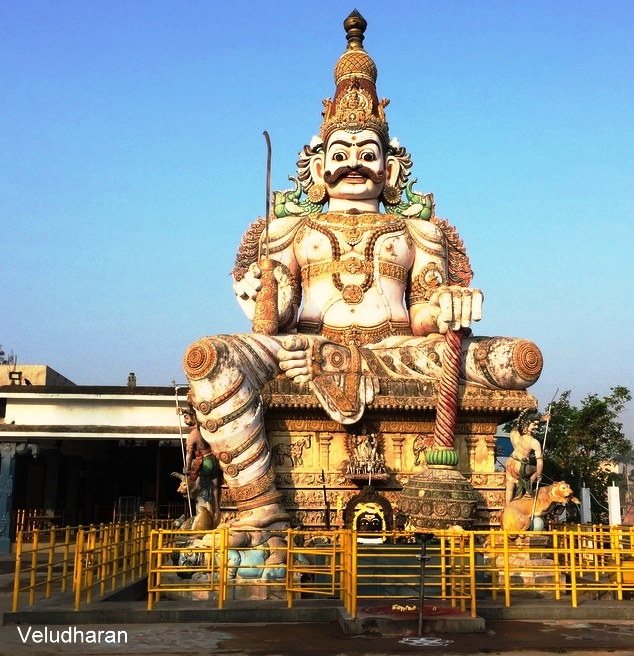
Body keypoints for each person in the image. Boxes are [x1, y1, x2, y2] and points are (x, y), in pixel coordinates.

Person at [182, 11, 543, 531]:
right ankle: (262, 512)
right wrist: (263, 288)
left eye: (368, 153)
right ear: (317, 162)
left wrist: (449, 306)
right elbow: (271, 323)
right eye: (341, 153)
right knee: (209, 361)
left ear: (389, 168)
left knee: (519, 361)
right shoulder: (287, 230)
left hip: (400, 351)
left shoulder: (419, 232)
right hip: (303, 348)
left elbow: (423, 314)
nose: (354, 163)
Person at [505, 411, 550, 505]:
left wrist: (540, 420)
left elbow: (518, 426)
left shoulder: (516, 433)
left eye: (537, 425)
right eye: (534, 425)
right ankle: (528, 486)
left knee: (509, 486)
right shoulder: (534, 442)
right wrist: (538, 475)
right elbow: (540, 462)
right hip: (520, 466)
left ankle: (507, 506)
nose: (536, 427)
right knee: (535, 470)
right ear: (527, 423)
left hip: (510, 462)